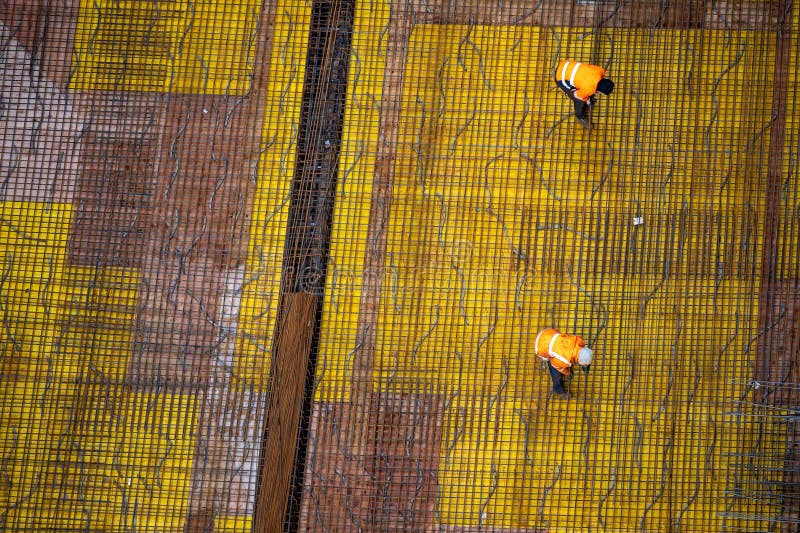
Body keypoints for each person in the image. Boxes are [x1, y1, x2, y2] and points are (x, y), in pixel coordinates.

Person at [534, 327, 593, 398]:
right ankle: (558, 390)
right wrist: (567, 373)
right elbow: (556, 366)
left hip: (548, 333)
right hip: (540, 347)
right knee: (556, 372)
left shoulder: (578, 340)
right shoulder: (564, 360)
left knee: (563, 360)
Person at [555, 59, 614, 128]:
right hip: (560, 77)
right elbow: (576, 95)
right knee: (579, 100)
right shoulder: (589, 89)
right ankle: (580, 116)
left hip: (566, 64)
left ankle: (588, 99)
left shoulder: (600, 71)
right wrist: (587, 100)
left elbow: (592, 85)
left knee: (588, 91)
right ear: (601, 92)